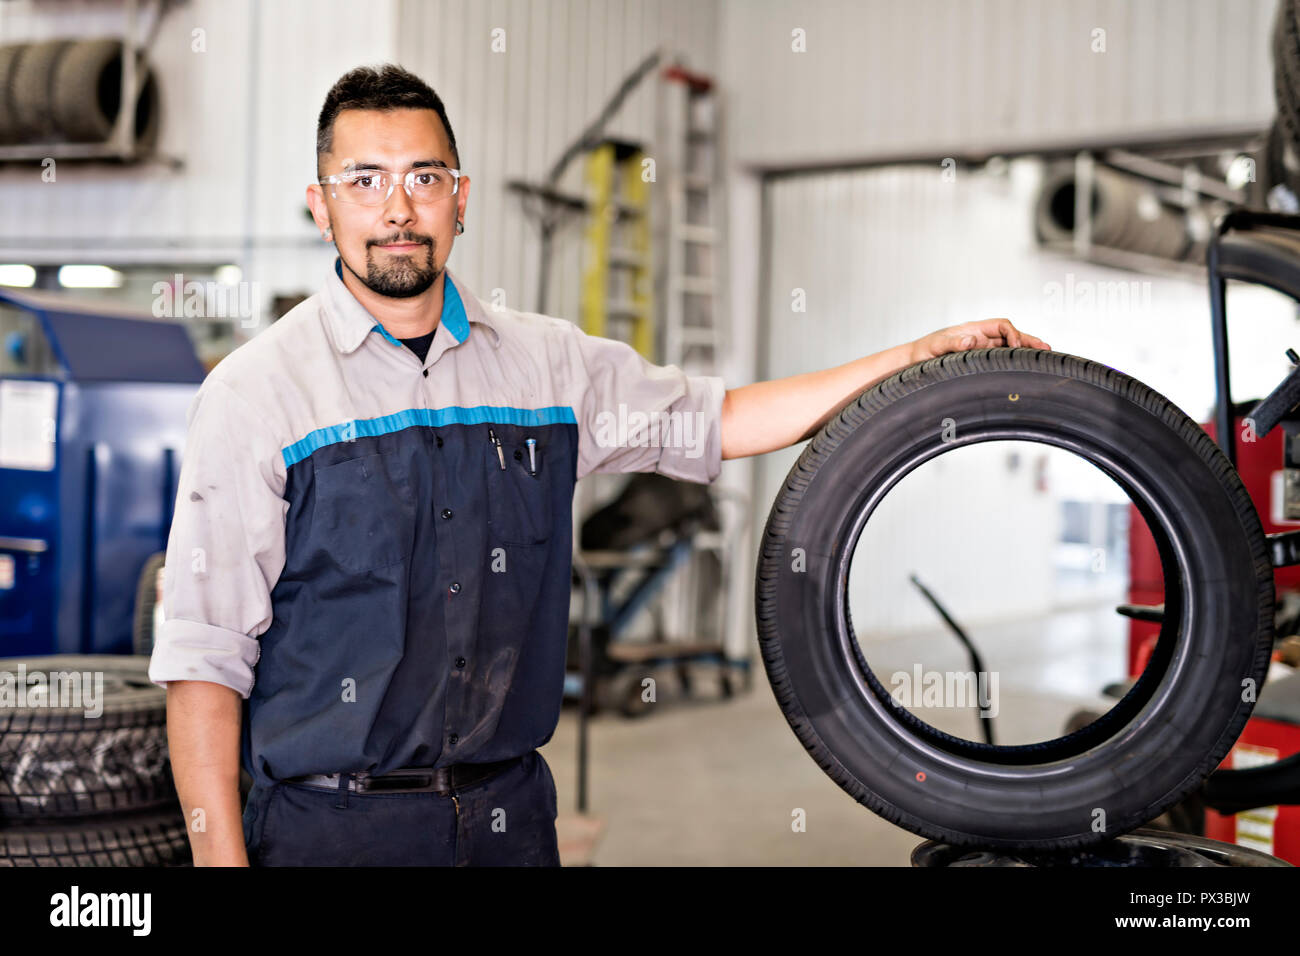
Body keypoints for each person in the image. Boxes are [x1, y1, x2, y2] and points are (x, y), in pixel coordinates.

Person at [147, 63, 1050, 867]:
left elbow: (724, 418)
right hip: (329, 833)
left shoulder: (548, 367)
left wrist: (915, 356)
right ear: (322, 204)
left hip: (509, 821)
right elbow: (203, 660)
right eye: (364, 180)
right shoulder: (256, 395)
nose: (397, 209)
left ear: (461, 198)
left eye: (423, 178)